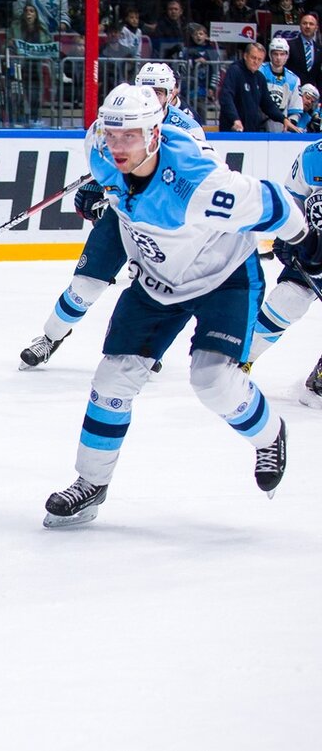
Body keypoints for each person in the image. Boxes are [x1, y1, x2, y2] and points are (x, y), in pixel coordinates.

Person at [42, 83, 322, 528]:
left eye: (129, 136)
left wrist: (305, 239)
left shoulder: (201, 182)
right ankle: (91, 483)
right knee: (112, 379)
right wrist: (104, 197)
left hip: (223, 277)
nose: (116, 145)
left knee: (212, 380)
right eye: (111, 134)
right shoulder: (98, 147)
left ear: (155, 134)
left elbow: (270, 201)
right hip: (156, 283)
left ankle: (270, 435)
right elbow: (120, 187)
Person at [19, 64, 206, 371]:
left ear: (173, 94)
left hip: (164, 227)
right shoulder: (116, 120)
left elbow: (198, 180)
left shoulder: (186, 131)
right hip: (122, 216)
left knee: (155, 291)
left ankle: (145, 347)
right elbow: (104, 158)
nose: (152, 98)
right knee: (85, 285)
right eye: (146, 90)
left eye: (159, 92)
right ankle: (50, 338)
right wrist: (97, 185)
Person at [244, 140, 322, 408]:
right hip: (316, 247)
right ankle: (242, 358)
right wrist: (290, 236)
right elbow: (294, 198)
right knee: (288, 300)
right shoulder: (314, 156)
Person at [218, 42, 286, 132]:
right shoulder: (235, 71)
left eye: (259, 59)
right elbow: (226, 97)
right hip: (233, 129)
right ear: (245, 56)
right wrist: (235, 119)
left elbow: (268, 104)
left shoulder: (260, 78)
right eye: (253, 58)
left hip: (252, 130)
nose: (256, 62)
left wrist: (283, 119)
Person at [260, 36, 306, 133]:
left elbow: (295, 109)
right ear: (270, 54)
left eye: (282, 54)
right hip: (259, 125)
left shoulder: (293, 79)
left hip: (281, 128)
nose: (278, 58)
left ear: (287, 55)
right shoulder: (260, 71)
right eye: (275, 54)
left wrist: (289, 125)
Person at [286, 12, 322, 90]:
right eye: (304, 23)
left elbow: (319, 76)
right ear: (300, 26)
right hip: (291, 91)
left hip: (310, 96)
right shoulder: (290, 45)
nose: (308, 26)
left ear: (316, 28)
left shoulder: (319, 49)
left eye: (311, 24)